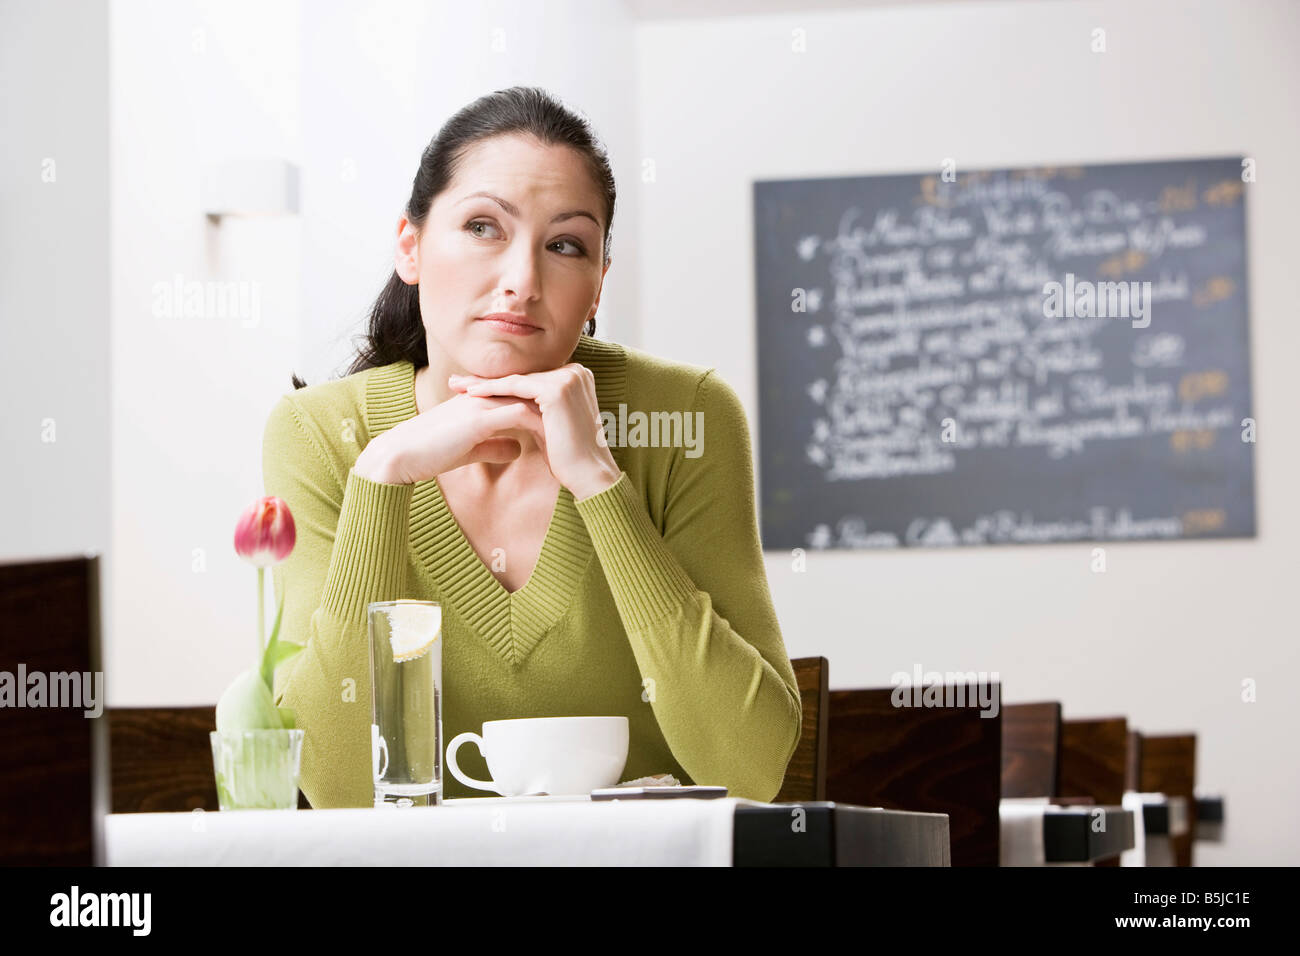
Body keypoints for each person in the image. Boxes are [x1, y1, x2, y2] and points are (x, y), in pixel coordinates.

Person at [263, 86, 801, 807]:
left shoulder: (687, 417)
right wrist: (383, 478)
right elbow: (337, 786)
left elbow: (754, 768)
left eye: (566, 245)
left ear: (598, 282)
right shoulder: (320, 434)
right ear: (411, 247)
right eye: (484, 227)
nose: (521, 282)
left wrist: (602, 486)